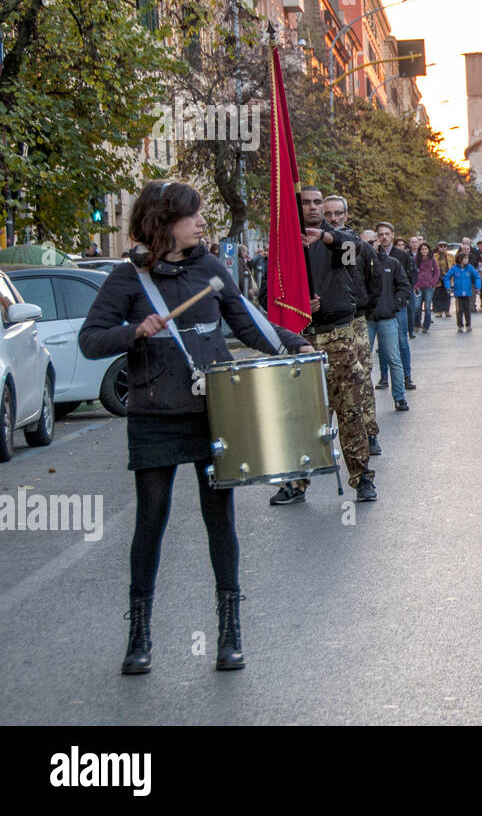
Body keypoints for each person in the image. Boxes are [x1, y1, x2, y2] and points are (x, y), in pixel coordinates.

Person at [78, 180, 311, 676]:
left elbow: (249, 325)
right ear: (165, 222)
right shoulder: (127, 279)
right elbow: (90, 341)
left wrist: (294, 345)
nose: (203, 222)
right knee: (151, 522)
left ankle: (230, 632)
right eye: (194, 215)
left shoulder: (210, 268)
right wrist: (133, 331)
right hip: (154, 416)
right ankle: (138, 635)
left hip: (214, 413)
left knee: (219, 521)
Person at [259, 188, 371, 505]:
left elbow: (357, 251)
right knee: (302, 414)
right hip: (302, 339)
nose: (312, 207)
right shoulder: (284, 246)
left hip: (338, 335)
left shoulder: (337, 240)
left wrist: (325, 238)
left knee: (350, 410)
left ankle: (361, 478)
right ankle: (296, 482)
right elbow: (267, 296)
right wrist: (297, 304)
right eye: (305, 203)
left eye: (316, 202)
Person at [323, 195, 382, 458]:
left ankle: (370, 434)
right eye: (328, 214)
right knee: (323, 386)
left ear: (346, 215)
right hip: (323, 324)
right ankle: (322, 441)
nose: (333, 219)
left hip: (355, 321)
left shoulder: (359, 246)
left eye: (338, 214)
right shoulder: (313, 244)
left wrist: (363, 308)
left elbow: (375, 280)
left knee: (361, 379)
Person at [368, 223, 412, 410]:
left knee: (394, 357)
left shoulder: (392, 262)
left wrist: (394, 304)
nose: (381, 239)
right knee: (363, 361)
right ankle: (364, 401)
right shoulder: (359, 264)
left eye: (386, 235)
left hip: (387, 317)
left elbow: (404, 286)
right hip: (367, 319)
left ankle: (399, 396)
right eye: (378, 236)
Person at [444, 249, 481, 331]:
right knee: (459, 310)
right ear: (460, 259)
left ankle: (468, 325)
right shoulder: (454, 268)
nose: (467, 260)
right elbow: (447, 277)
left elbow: (477, 277)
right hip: (458, 292)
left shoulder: (470, 268)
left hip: (468, 292)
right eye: (465, 258)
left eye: (467, 258)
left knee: (467, 309)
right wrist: (448, 287)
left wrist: (478, 287)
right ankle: (460, 325)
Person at [414, 242, 438, 332]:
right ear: (419, 251)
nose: (424, 250)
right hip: (418, 287)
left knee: (427, 307)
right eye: (422, 249)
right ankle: (416, 324)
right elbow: (413, 272)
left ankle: (426, 325)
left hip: (429, 287)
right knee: (417, 306)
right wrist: (414, 284)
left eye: (425, 249)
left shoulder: (432, 259)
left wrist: (433, 282)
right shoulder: (416, 259)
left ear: (428, 250)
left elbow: (436, 272)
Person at [434, 242, 453, 317]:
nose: (442, 248)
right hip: (438, 277)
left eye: (444, 246)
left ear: (446, 247)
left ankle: (447, 311)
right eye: (441, 246)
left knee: (447, 295)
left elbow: (454, 266)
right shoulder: (434, 256)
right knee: (438, 295)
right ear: (438, 247)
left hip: (447, 277)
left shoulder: (451, 256)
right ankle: (439, 311)